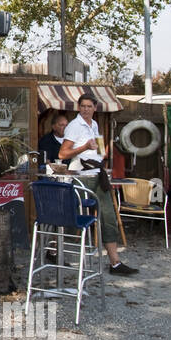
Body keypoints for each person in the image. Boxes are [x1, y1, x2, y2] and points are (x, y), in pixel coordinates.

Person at [60, 93, 136, 275]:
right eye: (83, 106)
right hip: (81, 176)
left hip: (97, 174)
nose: (86, 109)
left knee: (109, 215)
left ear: (95, 108)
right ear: (79, 108)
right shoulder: (74, 126)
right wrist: (84, 148)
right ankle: (55, 250)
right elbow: (63, 154)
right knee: (74, 217)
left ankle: (115, 263)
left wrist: (102, 151)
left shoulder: (93, 124)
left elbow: (99, 150)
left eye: (89, 106)